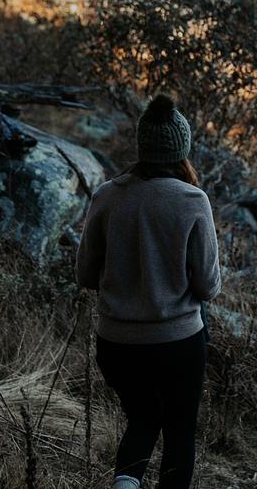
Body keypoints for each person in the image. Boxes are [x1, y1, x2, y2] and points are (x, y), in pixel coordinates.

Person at [76, 95, 221, 489]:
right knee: (178, 431)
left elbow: (85, 274)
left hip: (116, 343)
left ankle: (125, 484)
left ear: (142, 145)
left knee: (143, 419)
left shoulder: (107, 194)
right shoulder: (193, 200)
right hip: (177, 343)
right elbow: (208, 286)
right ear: (182, 150)